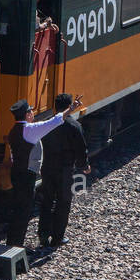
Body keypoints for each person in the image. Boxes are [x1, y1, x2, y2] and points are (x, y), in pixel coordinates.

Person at [5, 96, 75, 248]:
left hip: (16, 172)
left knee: (18, 209)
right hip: (26, 174)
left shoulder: (13, 130)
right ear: (27, 115)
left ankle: (13, 242)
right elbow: (52, 123)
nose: (32, 114)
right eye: (31, 111)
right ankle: (16, 246)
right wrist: (70, 110)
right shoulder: (29, 130)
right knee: (23, 210)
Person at [37, 93, 91, 248]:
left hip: (47, 167)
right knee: (63, 202)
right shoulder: (74, 126)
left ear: (55, 107)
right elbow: (81, 148)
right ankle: (57, 237)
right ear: (69, 107)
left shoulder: (47, 123)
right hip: (65, 169)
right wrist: (84, 165)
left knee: (47, 200)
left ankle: (43, 234)